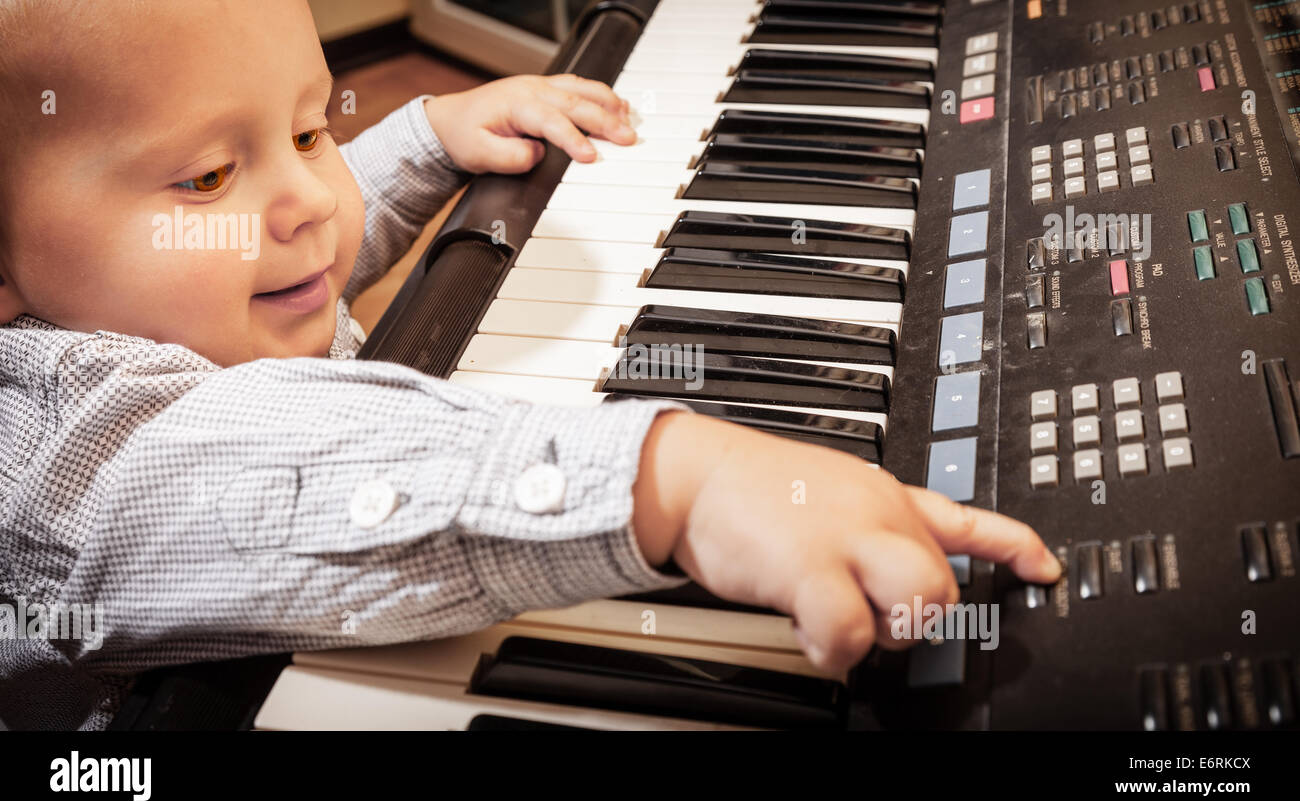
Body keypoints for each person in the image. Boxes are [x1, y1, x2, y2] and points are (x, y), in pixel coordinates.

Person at [0, 0, 1060, 730]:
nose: (312, 200)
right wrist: (675, 482)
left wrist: (420, 141)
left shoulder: (176, 280)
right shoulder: (58, 451)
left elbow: (300, 272)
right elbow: (270, 477)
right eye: (212, 172)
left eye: (311, 128)